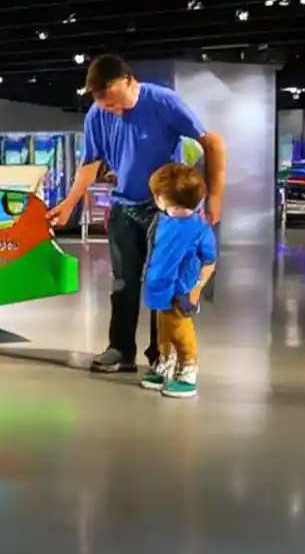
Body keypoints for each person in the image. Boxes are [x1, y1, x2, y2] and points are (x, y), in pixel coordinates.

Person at [47, 54, 226, 373]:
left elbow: (212, 143)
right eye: (104, 105)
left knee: (163, 279)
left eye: (115, 102)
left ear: (129, 82)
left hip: (165, 209)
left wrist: (213, 198)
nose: (112, 110)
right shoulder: (97, 114)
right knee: (123, 282)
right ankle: (120, 348)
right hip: (124, 207)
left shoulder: (163, 101)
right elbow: (91, 164)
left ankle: (162, 353)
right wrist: (70, 202)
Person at [139, 162, 217, 398]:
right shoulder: (162, 222)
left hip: (182, 289)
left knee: (181, 329)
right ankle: (166, 362)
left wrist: (197, 287)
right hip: (160, 287)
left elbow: (210, 261)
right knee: (163, 329)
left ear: (166, 198)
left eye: (158, 195)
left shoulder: (200, 229)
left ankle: (188, 369)